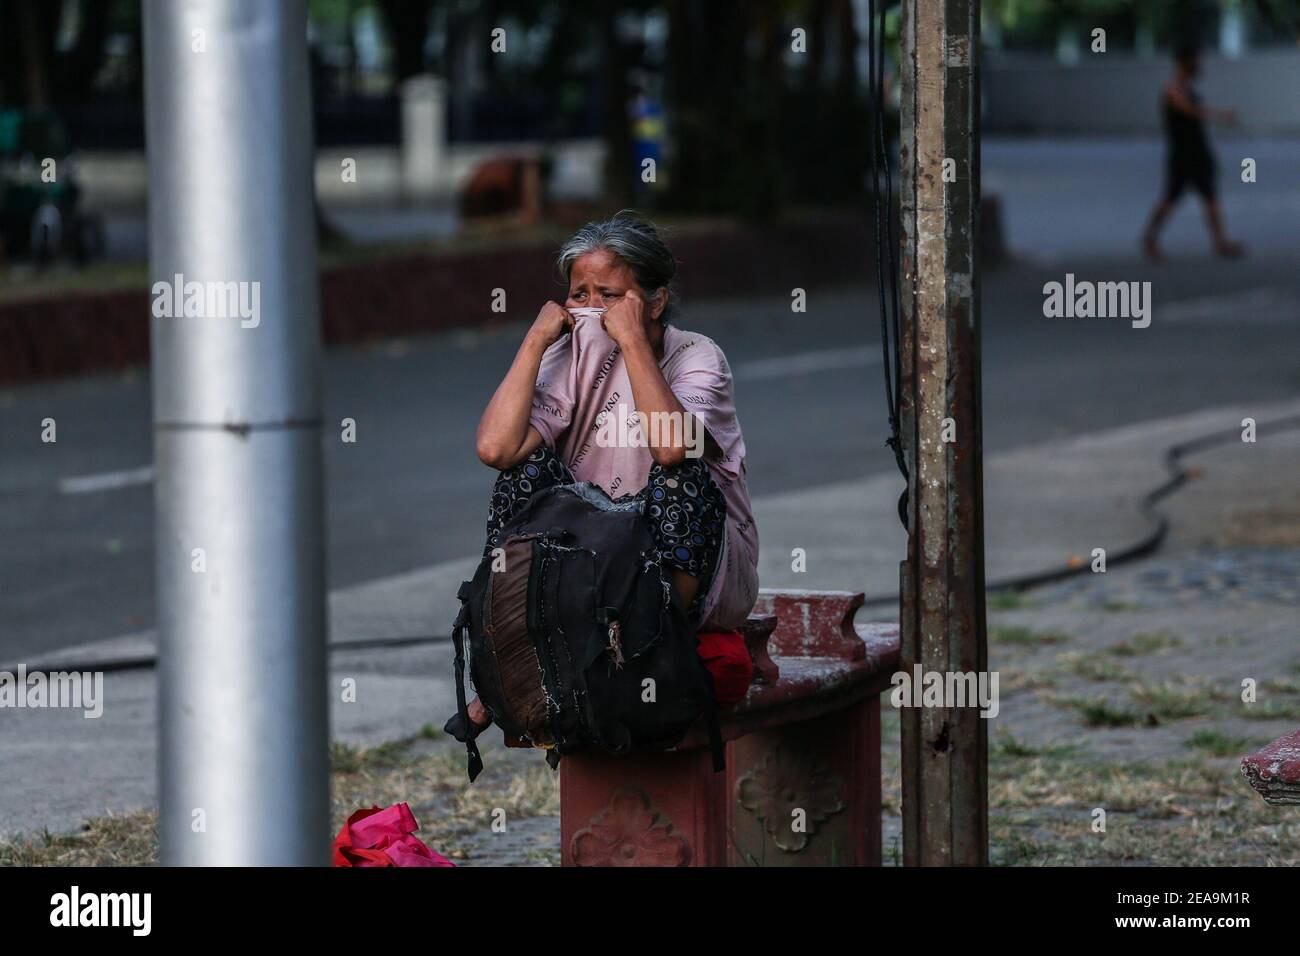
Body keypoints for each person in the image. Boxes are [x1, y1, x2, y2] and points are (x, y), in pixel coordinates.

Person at [447, 212, 760, 739]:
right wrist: (536, 340)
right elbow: (496, 448)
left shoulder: (698, 356)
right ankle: (507, 643)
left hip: (690, 569)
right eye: (579, 294)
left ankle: (651, 641)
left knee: (681, 476)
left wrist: (634, 342)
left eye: (610, 295)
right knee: (521, 475)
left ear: (654, 301)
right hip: (593, 562)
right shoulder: (568, 354)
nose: (592, 309)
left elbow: (669, 448)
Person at [1141, 44, 1244, 262]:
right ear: (1184, 62)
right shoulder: (1172, 90)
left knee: (1210, 197)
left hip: (1198, 152)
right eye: (1195, 60)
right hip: (1182, 155)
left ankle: (1220, 241)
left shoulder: (1187, 88)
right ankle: (1149, 238)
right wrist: (1220, 115)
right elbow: (1186, 109)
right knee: (1170, 198)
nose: (1198, 64)